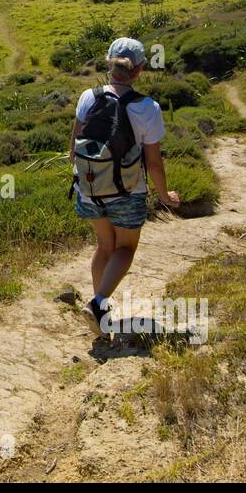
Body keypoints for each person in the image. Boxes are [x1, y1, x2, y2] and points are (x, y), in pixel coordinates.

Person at [68, 37, 180, 333]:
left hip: (90, 189)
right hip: (128, 193)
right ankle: (97, 302)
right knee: (125, 248)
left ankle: (101, 314)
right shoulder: (149, 108)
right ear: (139, 70)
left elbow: (73, 147)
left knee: (104, 246)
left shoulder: (88, 96)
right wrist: (165, 196)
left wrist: (84, 178)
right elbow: (153, 163)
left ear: (109, 64)